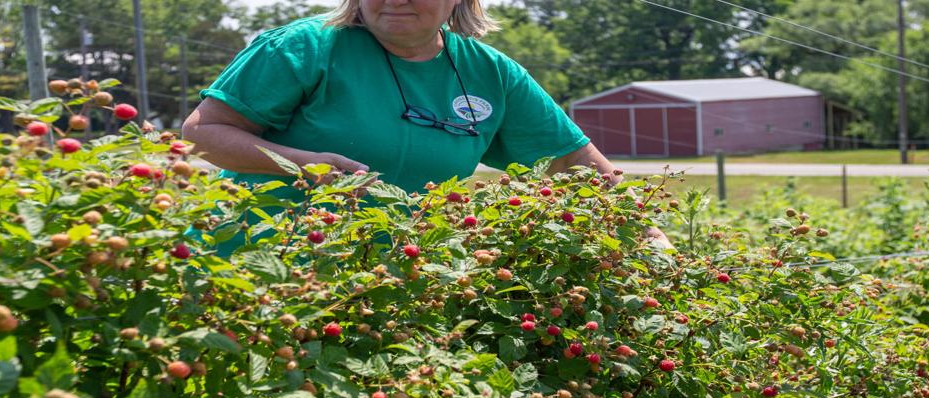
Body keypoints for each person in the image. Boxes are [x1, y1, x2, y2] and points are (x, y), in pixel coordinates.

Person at [181, 0, 668, 250]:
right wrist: (304, 165)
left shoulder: (489, 72)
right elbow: (202, 134)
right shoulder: (305, 48)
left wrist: (653, 241)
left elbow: (575, 163)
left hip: (396, 282)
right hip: (265, 266)